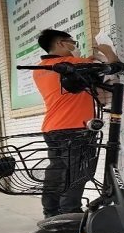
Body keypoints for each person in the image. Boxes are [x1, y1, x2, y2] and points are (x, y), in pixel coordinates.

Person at [33, 29, 119, 218]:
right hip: (75, 129)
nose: (75, 46)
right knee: (77, 173)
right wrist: (107, 50)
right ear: (60, 43)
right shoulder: (73, 63)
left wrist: (86, 62)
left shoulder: (40, 69)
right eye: (72, 43)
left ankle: (51, 213)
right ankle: (70, 212)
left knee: (57, 172)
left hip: (52, 128)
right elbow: (114, 67)